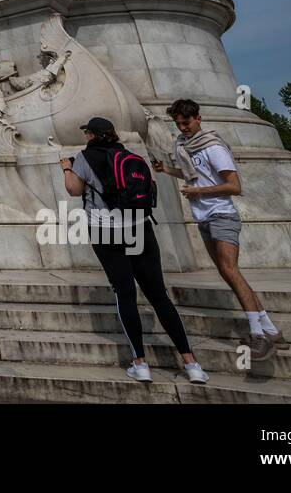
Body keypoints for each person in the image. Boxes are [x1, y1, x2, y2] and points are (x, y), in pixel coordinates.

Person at [61, 117, 207, 384]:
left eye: (87, 133)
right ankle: (191, 363)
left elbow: (73, 190)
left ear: (91, 135)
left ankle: (140, 363)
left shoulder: (84, 158)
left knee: (125, 294)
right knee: (159, 296)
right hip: (139, 227)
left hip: (106, 231)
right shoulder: (130, 156)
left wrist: (67, 169)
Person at [154, 98, 286, 361]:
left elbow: (234, 186)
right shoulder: (184, 146)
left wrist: (198, 191)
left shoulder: (213, 147)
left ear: (198, 118)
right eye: (178, 124)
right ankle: (271, 330)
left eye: (187, 122)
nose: (183, 128)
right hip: (203, 216)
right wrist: (166, 170)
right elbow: (192, 174)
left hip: (222, 214)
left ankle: (258, 335)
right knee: (227, 273)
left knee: (230, 270)